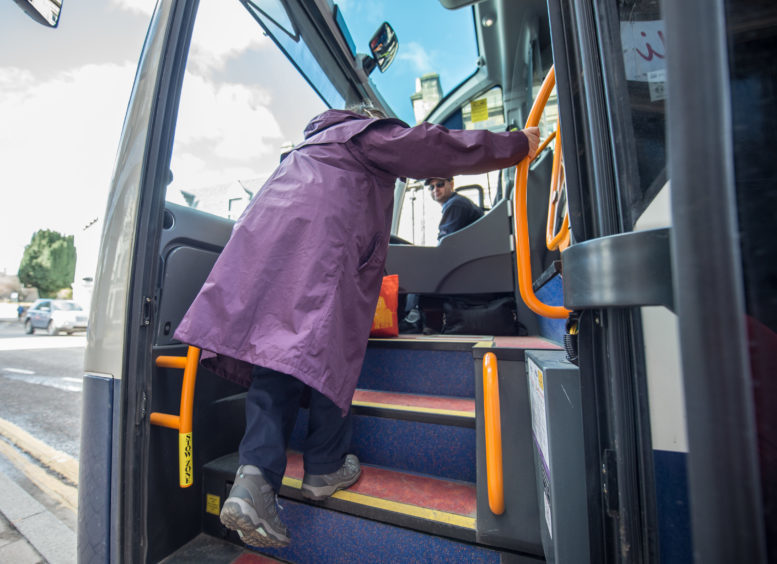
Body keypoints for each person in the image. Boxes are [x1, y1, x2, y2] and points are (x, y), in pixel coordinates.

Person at [174, 105, 539, 548]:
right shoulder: (363, 132)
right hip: (323, 255)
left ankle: (252, 481)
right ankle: (325, 467)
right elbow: (432, 146)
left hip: (267, 254)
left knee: (276, 353)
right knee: (329, 350)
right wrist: (518, 143)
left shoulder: (303, 152)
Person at [426, 176, 484, 241]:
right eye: (431, 187)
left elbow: (445, 242)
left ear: (451, 185)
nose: (435, 189)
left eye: (440, 184)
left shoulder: (455, 204)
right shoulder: (456, 202)